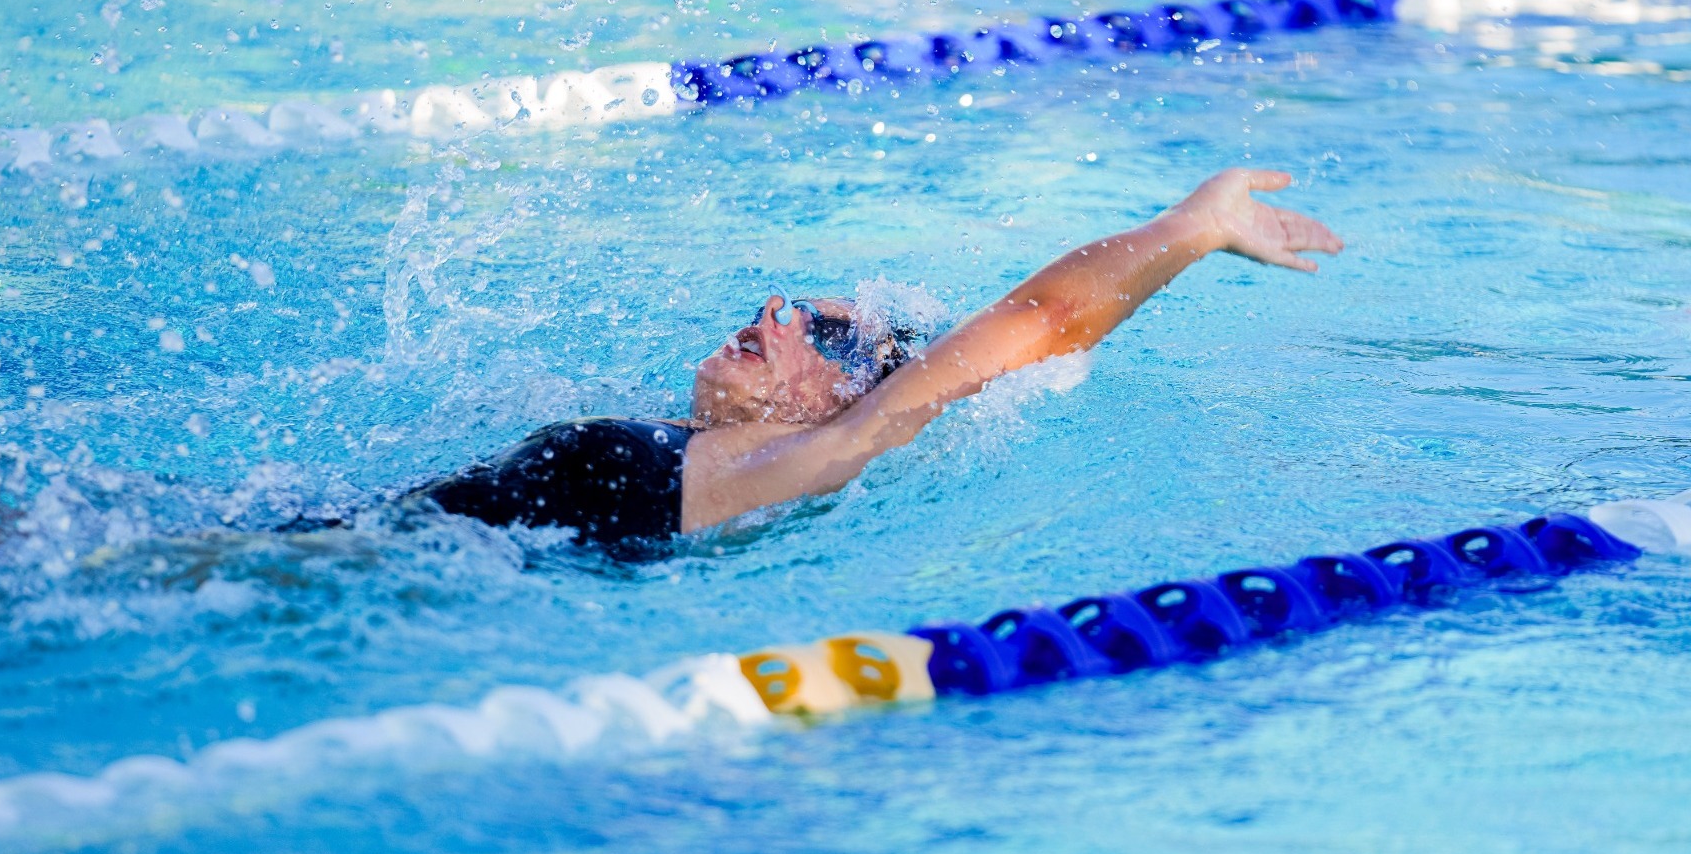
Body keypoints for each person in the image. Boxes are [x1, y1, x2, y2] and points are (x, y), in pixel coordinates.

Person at [410, 168, 1344, 554]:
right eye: (782, 307)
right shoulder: (682, 435)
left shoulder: (811, 456)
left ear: (849, 397)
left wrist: (1190, 227)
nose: (773, 315)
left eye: (815, 333)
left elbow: (1044, 318)